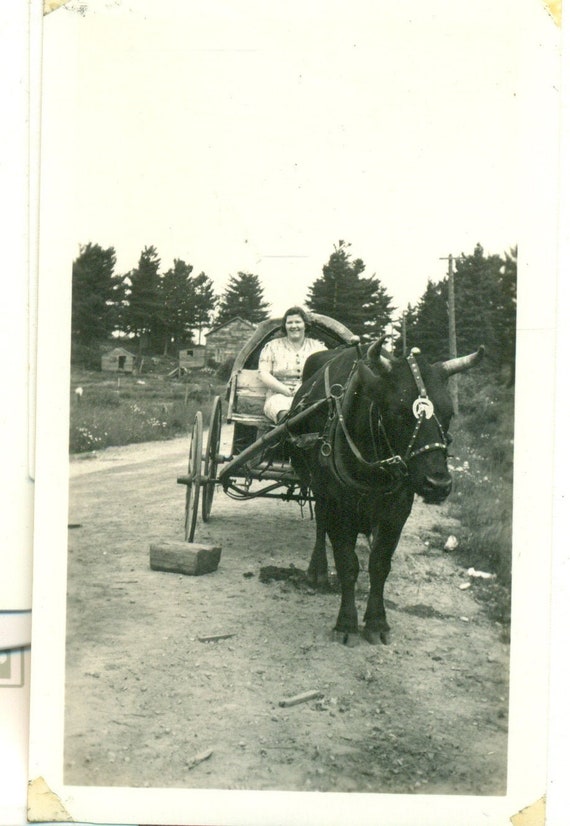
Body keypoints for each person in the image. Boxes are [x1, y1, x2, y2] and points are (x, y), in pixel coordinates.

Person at [258, 306, 324, 423]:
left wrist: (305, 388)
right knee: (284, 414)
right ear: (285, 326)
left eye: (298, 322)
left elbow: (324, 372)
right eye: (290, 323)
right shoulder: (272, 346)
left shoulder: (318, 347)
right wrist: (284, 389)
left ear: (305, 325)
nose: (294, 326)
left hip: (309, 397)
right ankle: (288, 440)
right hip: (278, 396)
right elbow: (263, 374)